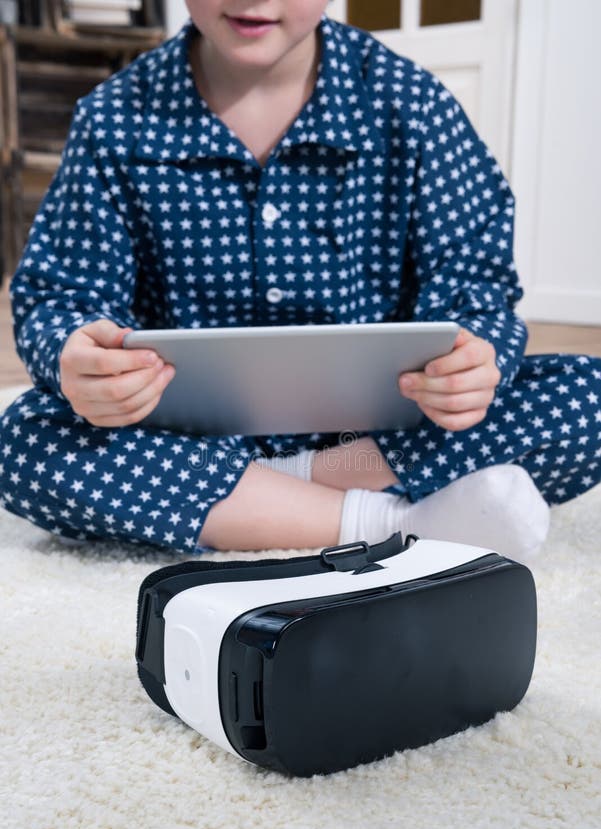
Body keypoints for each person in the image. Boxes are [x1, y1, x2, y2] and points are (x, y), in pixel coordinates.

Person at [0, 1, 599, 561]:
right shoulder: (113, 118)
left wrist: (473, 358)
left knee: (586, 396)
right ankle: (391, 524)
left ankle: (268, 499)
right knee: (25, 441)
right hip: (184, 436)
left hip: (379, 434)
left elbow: (476, 285)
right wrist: (77, 356)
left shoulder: (413, 104)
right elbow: (61, 297)